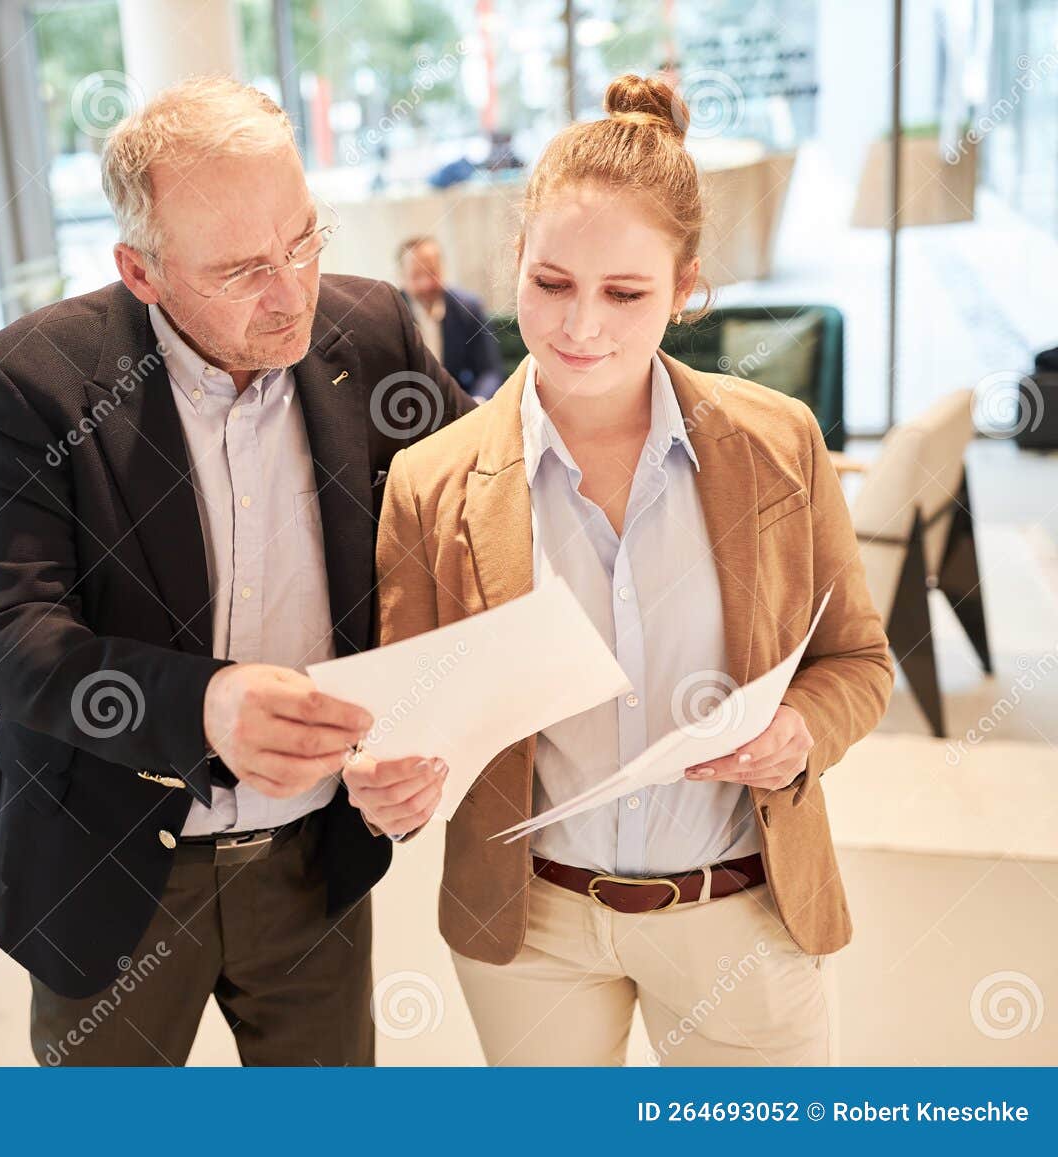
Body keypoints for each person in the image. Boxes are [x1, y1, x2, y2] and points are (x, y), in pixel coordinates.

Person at [373, 74, 893, 1065]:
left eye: (625, 294)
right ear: (514, 259)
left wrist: (797, 733)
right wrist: (392, 779)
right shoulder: (429, 480)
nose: (580, 327)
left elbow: (858, 661)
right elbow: (410, 710)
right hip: (530, 930)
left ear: (685, 287)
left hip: (739, 911)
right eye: (552, 283)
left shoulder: (778, 446)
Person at [0, 75, 470, 1067]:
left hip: (313, 859)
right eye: (239, 272)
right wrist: (205, 705)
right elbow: (10, 641)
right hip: (107, 863)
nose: (290, 294)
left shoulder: (373, 336)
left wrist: (428, 728)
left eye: (303, 242)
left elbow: (468, 531)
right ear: (139, 271)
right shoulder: (32, 383)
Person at [397, 236, 505, 401]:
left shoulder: (469, 308)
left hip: (457, 405)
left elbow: (489, 371)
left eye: (432, 272)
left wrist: (477, 402)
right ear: (402, 277)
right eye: (416, 275)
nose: (426, 284)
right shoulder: (391, 312)